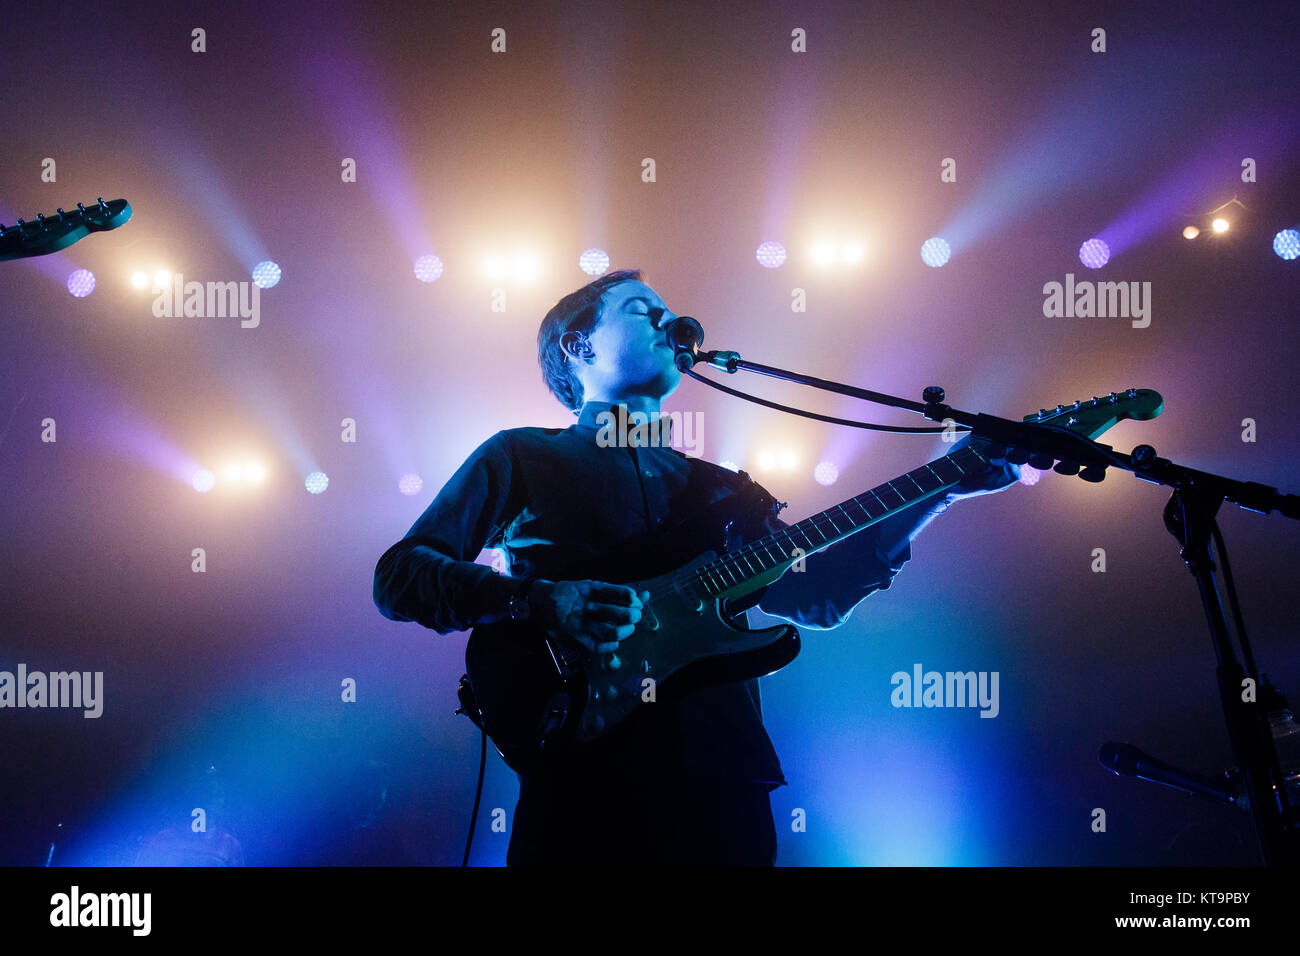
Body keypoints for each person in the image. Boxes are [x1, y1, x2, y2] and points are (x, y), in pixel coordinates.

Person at [373, 269, 1019, 865]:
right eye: (641, 309)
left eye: (669, 310)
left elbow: (817, 593)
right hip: (584, 778)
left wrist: (947, 485)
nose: (668, 319)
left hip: (722, 786)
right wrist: (539, 600)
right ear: (579, 347)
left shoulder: (724, 494)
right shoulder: (521, 456)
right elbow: (400, 576)